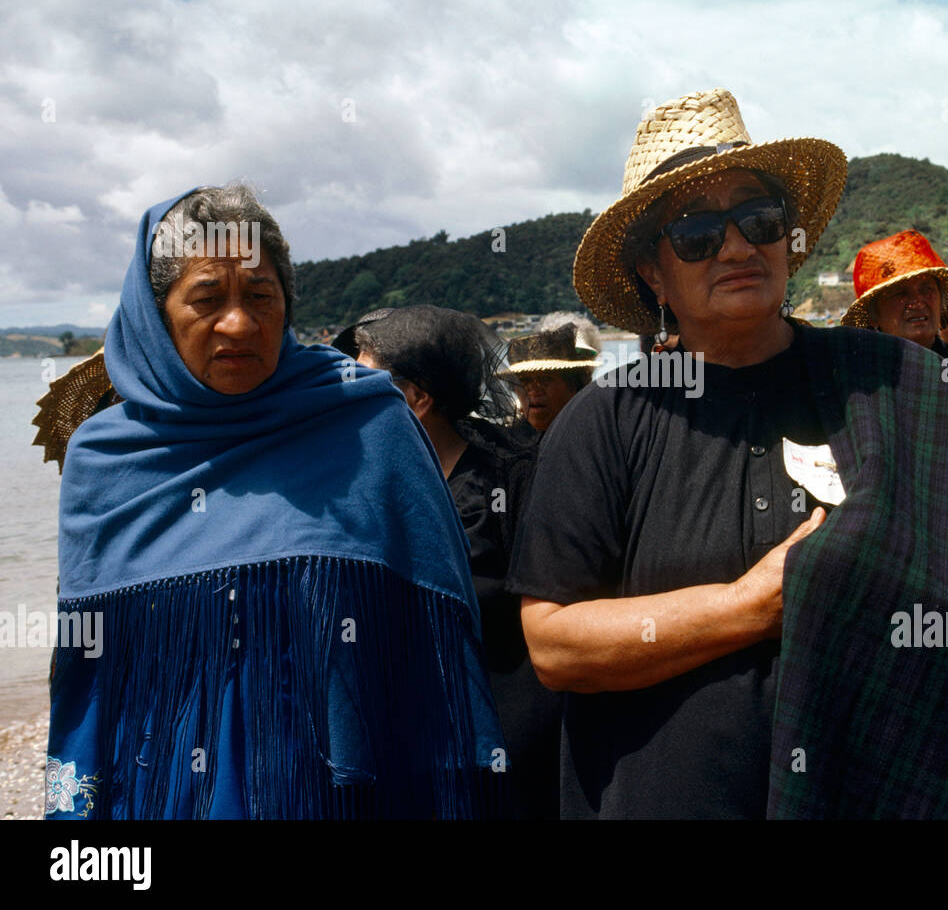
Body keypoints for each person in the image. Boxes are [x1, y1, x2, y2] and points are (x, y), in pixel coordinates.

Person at [508, 88, 948, 820]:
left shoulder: (897, 378)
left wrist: (875, 565)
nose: (739, 246)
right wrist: (749, 606)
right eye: (698, 233)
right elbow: (555, 644)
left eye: (760, 219)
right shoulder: (605, 421)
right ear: (653, 271)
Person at [46, 186, 504, 819]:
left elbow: (436, 644)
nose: (239, 323)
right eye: (207, 298)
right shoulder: (105, 460)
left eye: (260, 296)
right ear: (156, 313)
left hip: (339, 794)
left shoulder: (367, 422)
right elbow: (89, 676)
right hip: (165, 792)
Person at [333, 305, 560, 818]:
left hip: (506, 745)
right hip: (401, 742)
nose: (347, 392)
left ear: (416, 398)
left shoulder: (511, 482)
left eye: (362, 378)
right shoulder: (356, 485)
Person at [839, 229, 948, 357]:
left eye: (926, 289)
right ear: (873, 317)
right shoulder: (857, 373)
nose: (917, 302)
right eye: (900, 293)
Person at [502, 318, 600, 433]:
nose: (534, 390)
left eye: (545, 379)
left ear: (573, 385)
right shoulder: (506, 439)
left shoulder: (595, 430)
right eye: (525, 380)